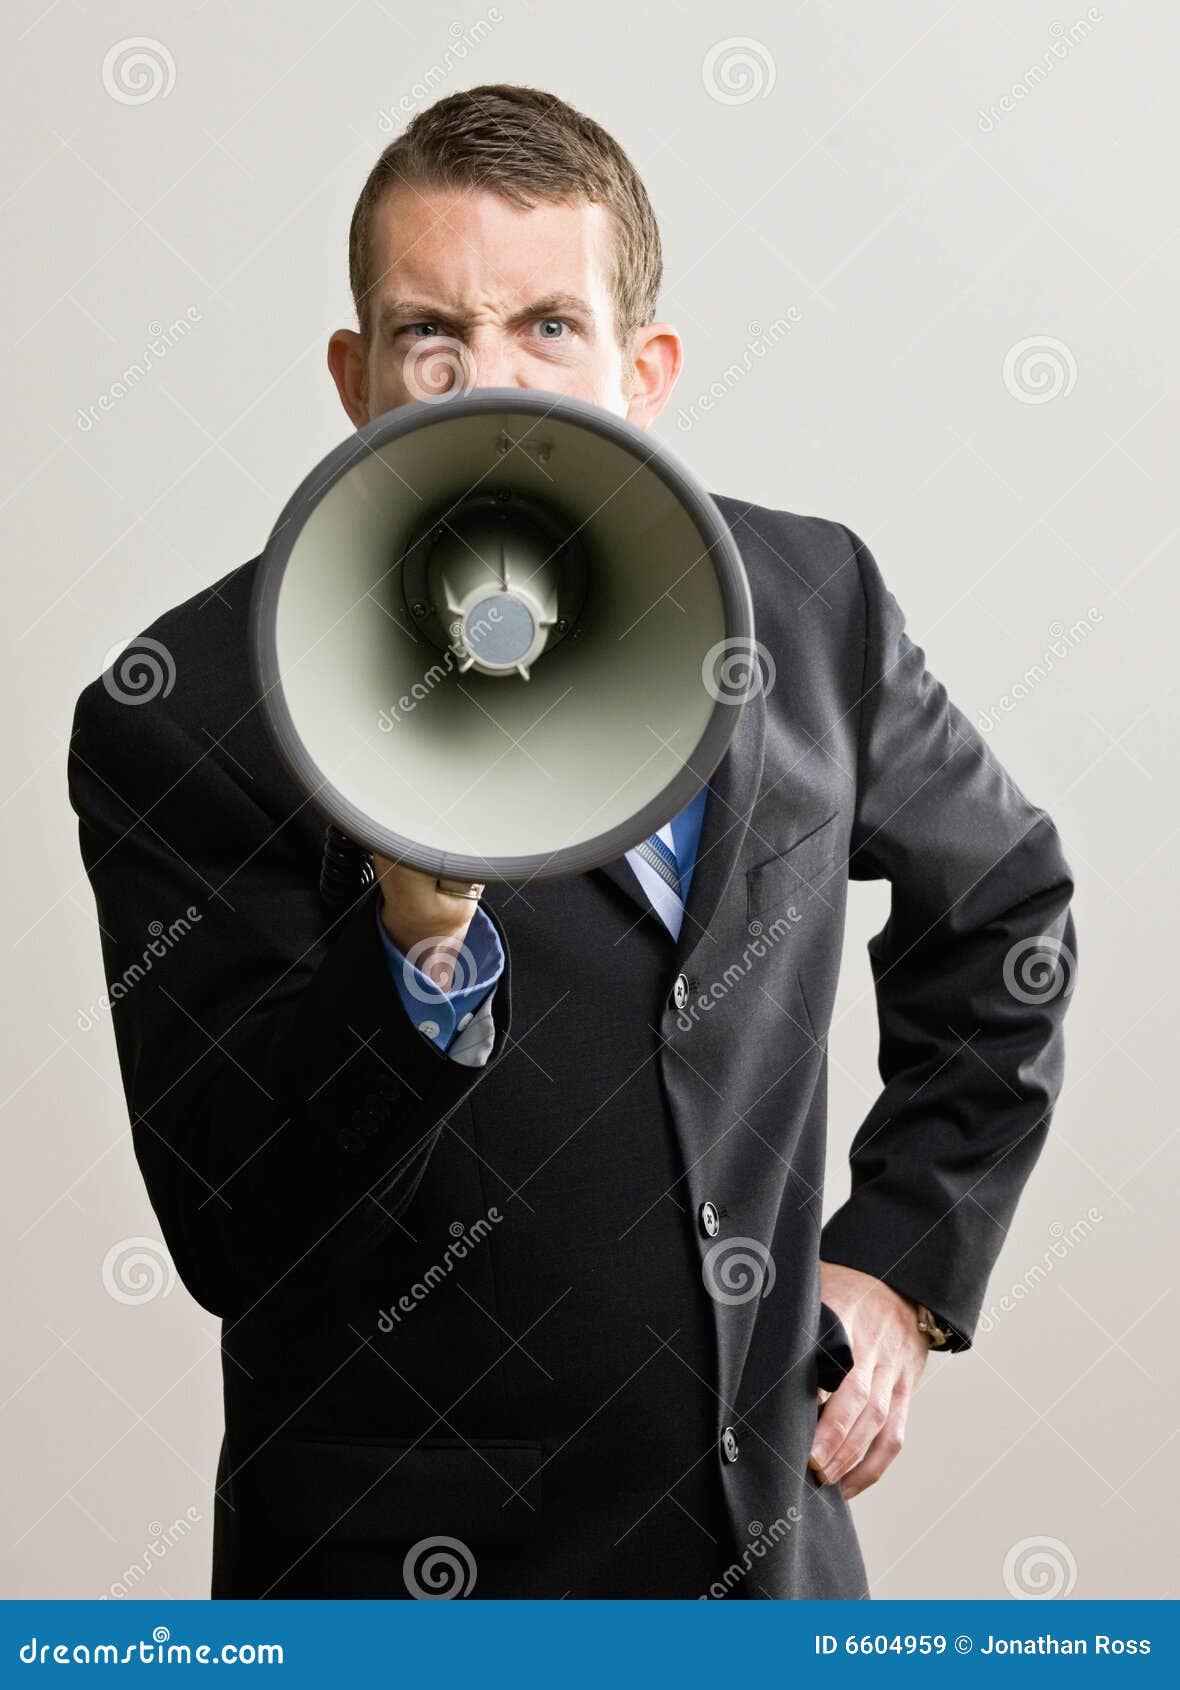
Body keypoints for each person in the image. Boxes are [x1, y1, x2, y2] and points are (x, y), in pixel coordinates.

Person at [67, 84, 1075, 1600]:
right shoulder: (195, 705)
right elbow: (231, 1223)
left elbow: (1005, 912)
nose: (490, 384)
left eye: (548, 325)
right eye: (430, 334)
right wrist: (409, 950)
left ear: (642, 369)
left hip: (763, 1560)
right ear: (354, 378)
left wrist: (901, 1265)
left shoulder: (812, 606)